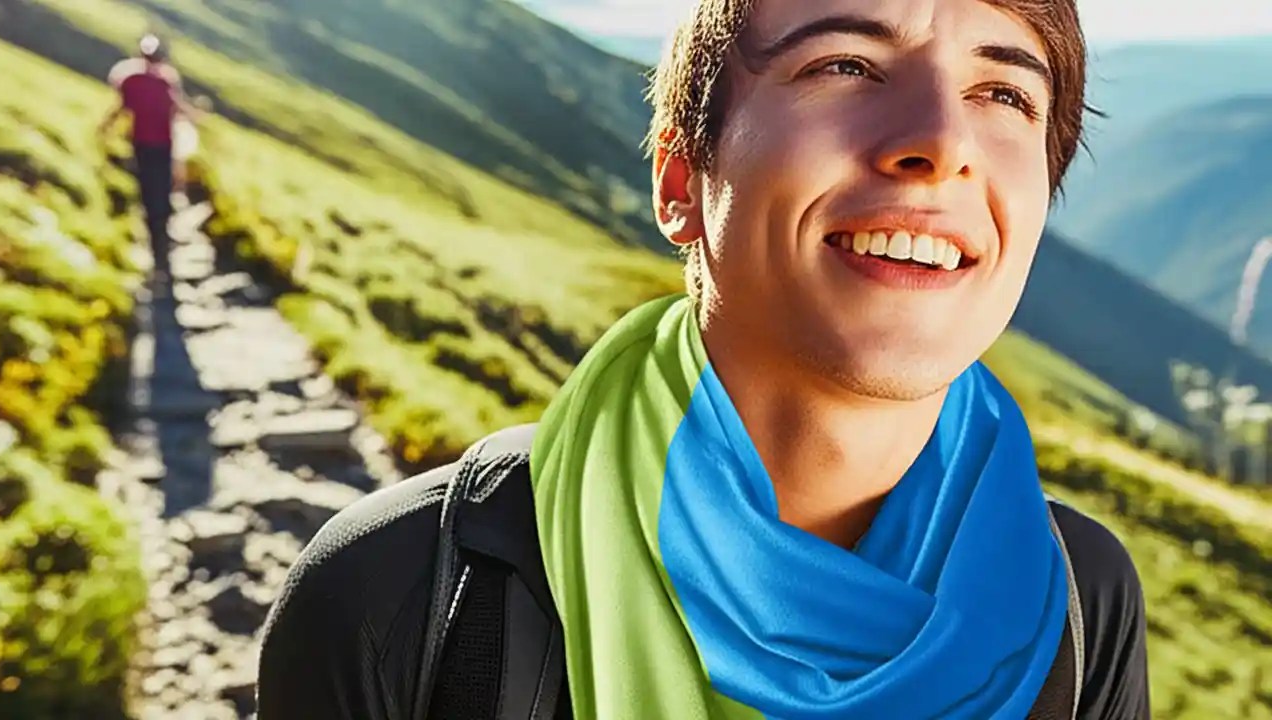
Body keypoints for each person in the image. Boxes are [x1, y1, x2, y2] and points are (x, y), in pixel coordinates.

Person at [257, 0, 1151, 717]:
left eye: (1004, 94)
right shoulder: (399, 593)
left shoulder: (1077, 602)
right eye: (844, 64)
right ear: (681, 181)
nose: (944, 145)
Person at [99, 33, 201, 286]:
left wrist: (104, 129)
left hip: (143, 147)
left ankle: (158, 249)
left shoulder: (130, 79)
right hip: (163, 147)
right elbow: (178, 111)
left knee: (149, 196)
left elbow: (121, 108)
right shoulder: (166, 81)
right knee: (161, 196)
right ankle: (162, 248)